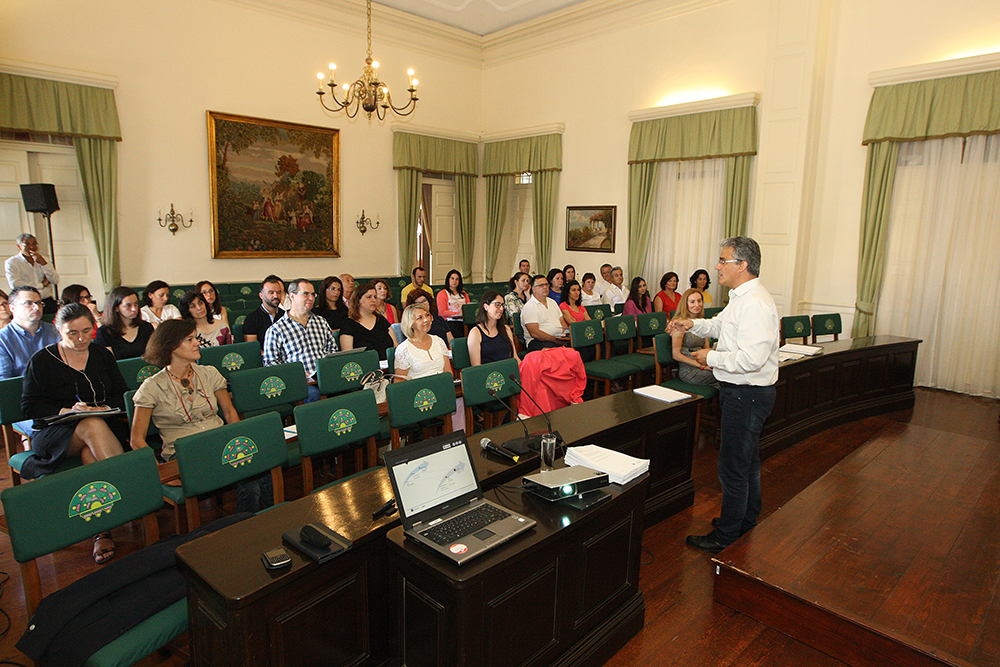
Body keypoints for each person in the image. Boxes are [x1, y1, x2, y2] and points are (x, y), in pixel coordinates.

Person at [668, 237, 779, 554]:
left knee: (733, 467)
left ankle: (727, 534)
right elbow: (721, 326)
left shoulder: (755, 303)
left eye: (723, 260)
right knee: (747, 463)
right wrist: (692, 323)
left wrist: (710, 358)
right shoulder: (741, 297)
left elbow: (750, 359)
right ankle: (744, 520)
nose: (716, 266)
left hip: (747, 394)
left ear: (742, 265)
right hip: (745, 392)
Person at [21, 303, 128, 562]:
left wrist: (105, 406)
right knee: (92, 426)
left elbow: (120, 393)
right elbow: (29, 407)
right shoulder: (43, 360)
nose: (81, 339)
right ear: (58, 330)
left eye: (87, 331)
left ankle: (101, 532)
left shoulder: (102, 354)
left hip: (100, 427)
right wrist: (66, 409)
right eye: (72, 333)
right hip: (55, 432)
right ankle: (130, 487)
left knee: (91, 452)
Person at [130, 319, 272, 513]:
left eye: (195, 337)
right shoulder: (152, 386)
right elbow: (136, 439)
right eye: (190, 340)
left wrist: (237, 442)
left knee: (258, 467)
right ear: (171, 346)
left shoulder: (209, 373)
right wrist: (159, 471)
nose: (197, 342)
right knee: (249, 477)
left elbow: (230, 413)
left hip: (219, 444)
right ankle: (248, 525)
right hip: (183, 454)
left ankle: (262, 520)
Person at [262, 279, 339, 403]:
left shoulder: (321, 322)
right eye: (305, 294)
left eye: (313, 294)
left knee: (352, 388)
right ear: (292, 296)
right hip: (297, 383)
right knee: (313, 395)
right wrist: (297, 373)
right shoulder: (276, 329)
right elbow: (271, 364)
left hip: (324, 377)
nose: (311, 298)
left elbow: (333, 350)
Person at [670, 289, 718, 387]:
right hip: (690, 369)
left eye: (699, 301)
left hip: (703, 364)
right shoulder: (680, 324)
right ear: (685, 304)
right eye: (692, 302)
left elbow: (706, 348)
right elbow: (676, 355)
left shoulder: (700, 323)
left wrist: (709, 363)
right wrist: (700, 365)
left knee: (726, 373)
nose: (697, 305)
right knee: (723, 376)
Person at [340, 282, 398, 361]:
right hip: (365, 369)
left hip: (388, 367)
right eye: (369, 297)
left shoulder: (381, 320)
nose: (373, 300)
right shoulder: (348, 324)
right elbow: (348, 356)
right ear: (358, 300)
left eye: (375, 297)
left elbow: (396, 347)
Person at [393, 304, 453, 381]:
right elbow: (399, 383)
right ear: (410, 323)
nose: (426, 320)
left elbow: (448, 372)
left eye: (427, 315)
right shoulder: (404, 349)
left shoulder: (438, 341)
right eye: (420, 318)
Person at [95, 286, 154, 359]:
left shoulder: (146, 327)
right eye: (128, 305)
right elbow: (108, 362)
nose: (134, 309)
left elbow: (153, 355)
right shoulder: (104, 332)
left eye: (136, 304)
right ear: (116, 308)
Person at [5, 233, 59, 313]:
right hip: (26, 303)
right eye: (27, 244)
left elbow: (55, 280)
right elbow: (15, 284)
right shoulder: (12, 262)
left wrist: (44, 264)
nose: (32, 247)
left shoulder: (44, 259)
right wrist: (41, 285)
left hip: (46, 302)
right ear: (19, 246)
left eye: (34, 244)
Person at [468, 290, 518, 366]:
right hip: (489, 375)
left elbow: (515, 358)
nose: (501, 308)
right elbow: (476, 366)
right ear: (486, 307)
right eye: (497, 304)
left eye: (502, 305)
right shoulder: (475, 333)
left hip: (508, 372)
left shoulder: (506, 329)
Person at [521, 275, 567, 352]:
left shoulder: (552, 302)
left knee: (580, 346)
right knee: (556, 350)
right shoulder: (530, 306)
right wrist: (555, 340)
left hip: (557, 339)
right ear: (533, 289)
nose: (545, 287)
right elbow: (535, 333)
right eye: (541, 285)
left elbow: (563, 323)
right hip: (537, 341)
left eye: (546, 284)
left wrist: (565, 336)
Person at [243, 275, 285, 349]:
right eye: (271, 293)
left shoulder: (285, 315)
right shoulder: (252, 319)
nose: (276, 296)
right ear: (261, 295)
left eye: (278, 292)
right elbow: (253, 349)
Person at [436, 269, 469, 338]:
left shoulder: (464, 294)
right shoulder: (442, 294)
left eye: (457, 279)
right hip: (450, 321)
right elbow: (442, 312)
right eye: (452, 278)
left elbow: (468, 308)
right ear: (448, 280)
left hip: (464, 321)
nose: (455, 281)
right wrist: (458, 314)